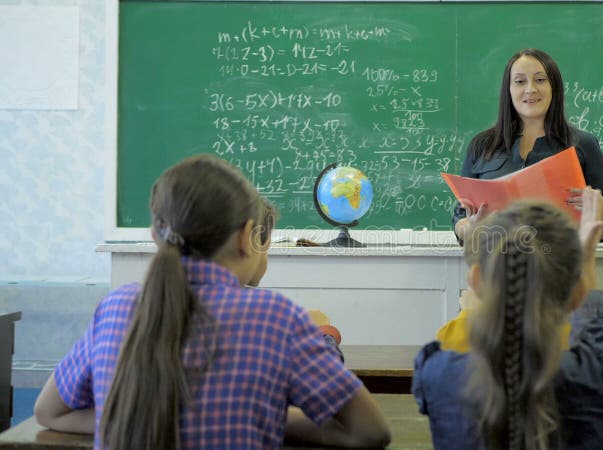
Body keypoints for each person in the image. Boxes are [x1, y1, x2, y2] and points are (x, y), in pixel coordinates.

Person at [33, 155, 391, 449]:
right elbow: (372, 432)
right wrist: (269, 419)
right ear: (246, 237)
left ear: (156, 235)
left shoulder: (115, 308)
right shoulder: (276, 319)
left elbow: (51, 413)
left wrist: (132, 419)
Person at [415, 189, 603, 449]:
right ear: (578, 293)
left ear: (476, 281)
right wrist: (585, 262)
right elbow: (595, 334)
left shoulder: (437, 373)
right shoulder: (595, 377)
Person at [453, 48, 603, 245]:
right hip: (494, 270)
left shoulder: (583, 144)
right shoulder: (482, 145)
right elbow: (459, 218)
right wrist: (470, 227)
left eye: (540, 80)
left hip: (561, 270)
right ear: (509, 89)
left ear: (554, 87)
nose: (530, 89)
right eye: (520, 81)